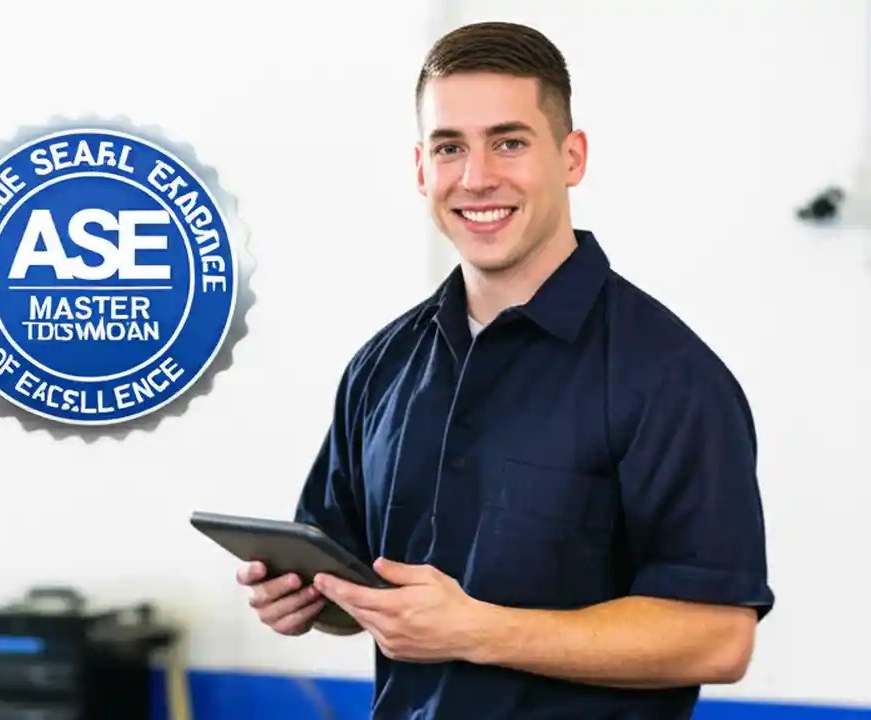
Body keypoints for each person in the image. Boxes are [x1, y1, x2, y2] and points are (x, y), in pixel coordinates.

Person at [235, 20, 774, 719]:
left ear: (572, 157)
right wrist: (311, 600)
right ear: (421, 168)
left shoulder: (670, 377)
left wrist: (478, 630)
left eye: (509, 142)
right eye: (449, 147)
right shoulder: (382, 367)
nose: (477, 177)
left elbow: (718, 638)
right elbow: (364, 589)